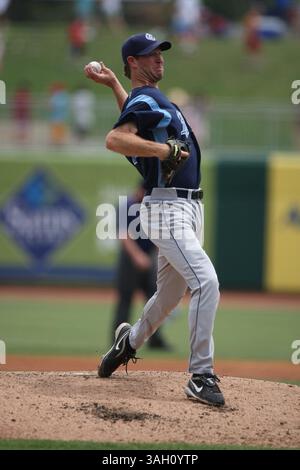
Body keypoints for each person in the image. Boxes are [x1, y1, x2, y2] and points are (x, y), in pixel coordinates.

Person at [84, 33, 224, 407]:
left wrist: (114, 83)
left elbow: (133, 118)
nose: (159, 58)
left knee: (169, 296)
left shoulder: (144, 99)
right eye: (150, 54)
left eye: (161, 52)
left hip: (188, 208)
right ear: (134, 61)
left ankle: (126, 344)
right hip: (168, 208)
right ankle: (201, 375)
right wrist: (164, 150)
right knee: (206, 281)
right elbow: (115, 139)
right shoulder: (148, 97)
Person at [113, 181, 171, 350]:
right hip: (130, 259)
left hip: (149, 258)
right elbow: (124, 235)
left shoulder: (152, 208)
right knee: (125, 299)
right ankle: (116, 341)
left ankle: (155, 339)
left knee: (155, 300)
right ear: (140, 190)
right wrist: (138, 256)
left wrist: (155, 257)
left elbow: (158, 235)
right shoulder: (127, 205)